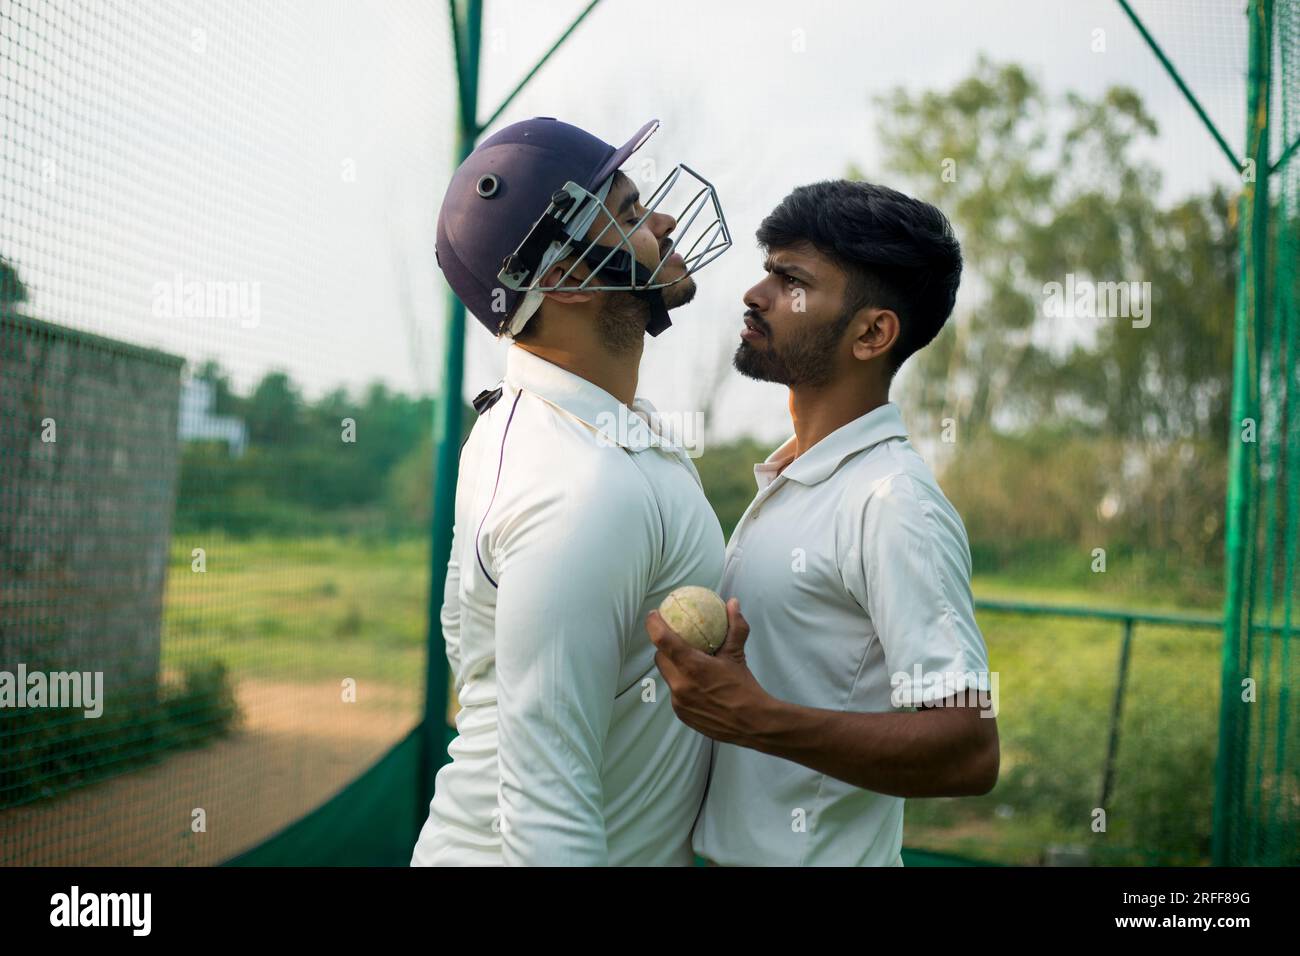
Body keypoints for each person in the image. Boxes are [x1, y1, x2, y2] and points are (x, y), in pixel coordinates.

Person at [646, 179, 999, 866]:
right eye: (767, 269)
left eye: (792, 280)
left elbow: (969, 749)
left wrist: (756, 718)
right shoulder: (796, 480)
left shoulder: (894, 503)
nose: (757, 294)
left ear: (872, 333)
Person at [411, 117, 732, 866]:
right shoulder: (575, 487)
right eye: (626, 214)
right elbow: (546, 820)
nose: (662, 222)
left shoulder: (591, 432)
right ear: (562, 278)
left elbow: (471, 642)